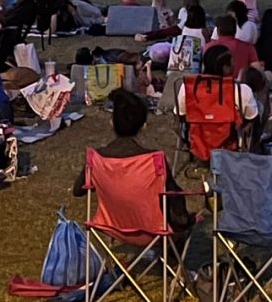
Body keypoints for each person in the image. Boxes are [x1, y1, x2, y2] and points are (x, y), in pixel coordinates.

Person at [72, 89, 195, 231]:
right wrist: (185, 220)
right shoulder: (152, 161)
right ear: (144, 126)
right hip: (155, 230)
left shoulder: (97, 158)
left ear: (112, 123)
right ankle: (173, 250)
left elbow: (78, 190)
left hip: (112, 226)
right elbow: (175, 200)